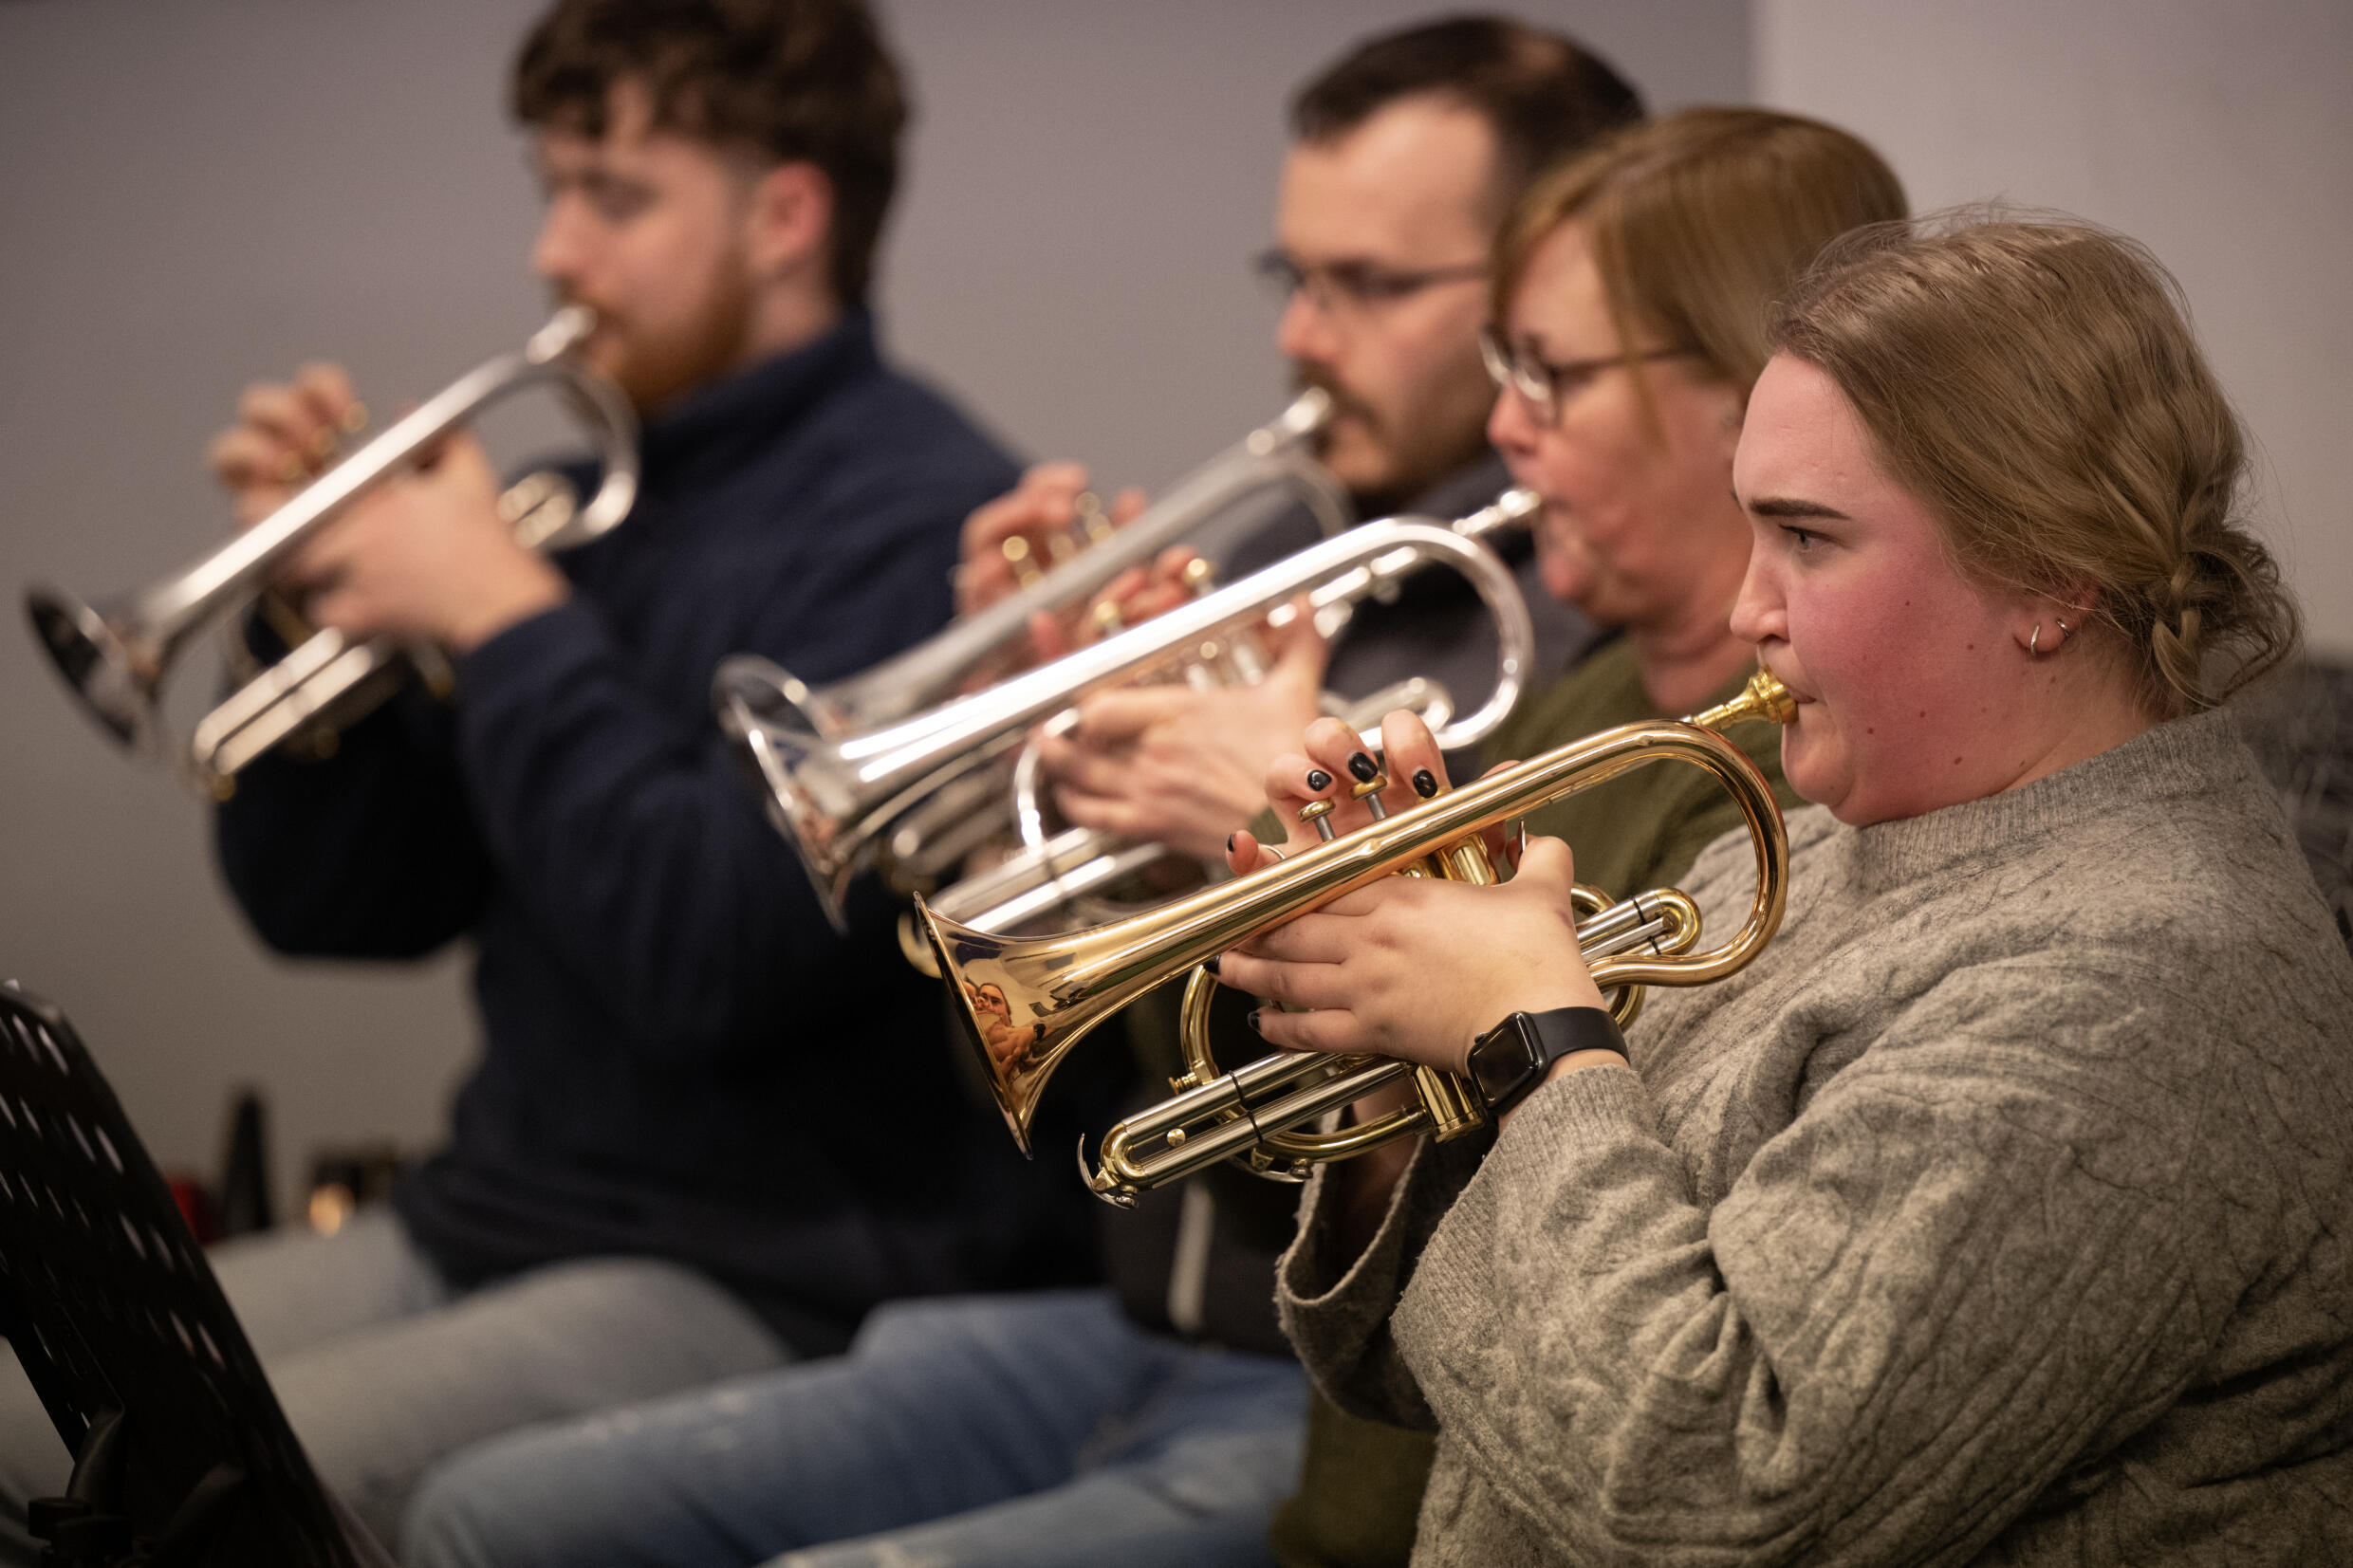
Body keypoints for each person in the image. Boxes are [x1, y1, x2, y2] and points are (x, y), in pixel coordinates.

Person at [397, 19, 1645, 1568]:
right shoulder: (1279, 576)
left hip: (1332, 1384)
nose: (1306, 338)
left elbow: (1438, 1129)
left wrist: (1271, 819)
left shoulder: (1583, 632)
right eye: (1295, 282)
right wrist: (1042, 774)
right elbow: (1069, 1093)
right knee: (484, 1521)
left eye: (1371, 287)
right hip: (1130, 1311)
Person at [0, 0, 1044, 1554]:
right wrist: (306, 608)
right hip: (490, 1208)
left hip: (764, 1268)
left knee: (204, 1497)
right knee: (15, 1412)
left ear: (785, 213)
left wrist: (496, 614)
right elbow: (342, 908)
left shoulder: (922, 523)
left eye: (614, 197)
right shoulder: (577, 499)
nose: (557, 250)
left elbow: (708, 958)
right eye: (551, 187)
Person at [1225, 214, 2353, 1562]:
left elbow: (1709, 1488)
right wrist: (1400, 1089)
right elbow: (1480, 1384)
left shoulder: (2155, 984)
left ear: (2052, 576)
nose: (1748, 607)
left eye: (1809, 539)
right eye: (1750, 528)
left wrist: (1532, 1037)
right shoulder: (1840, 835)